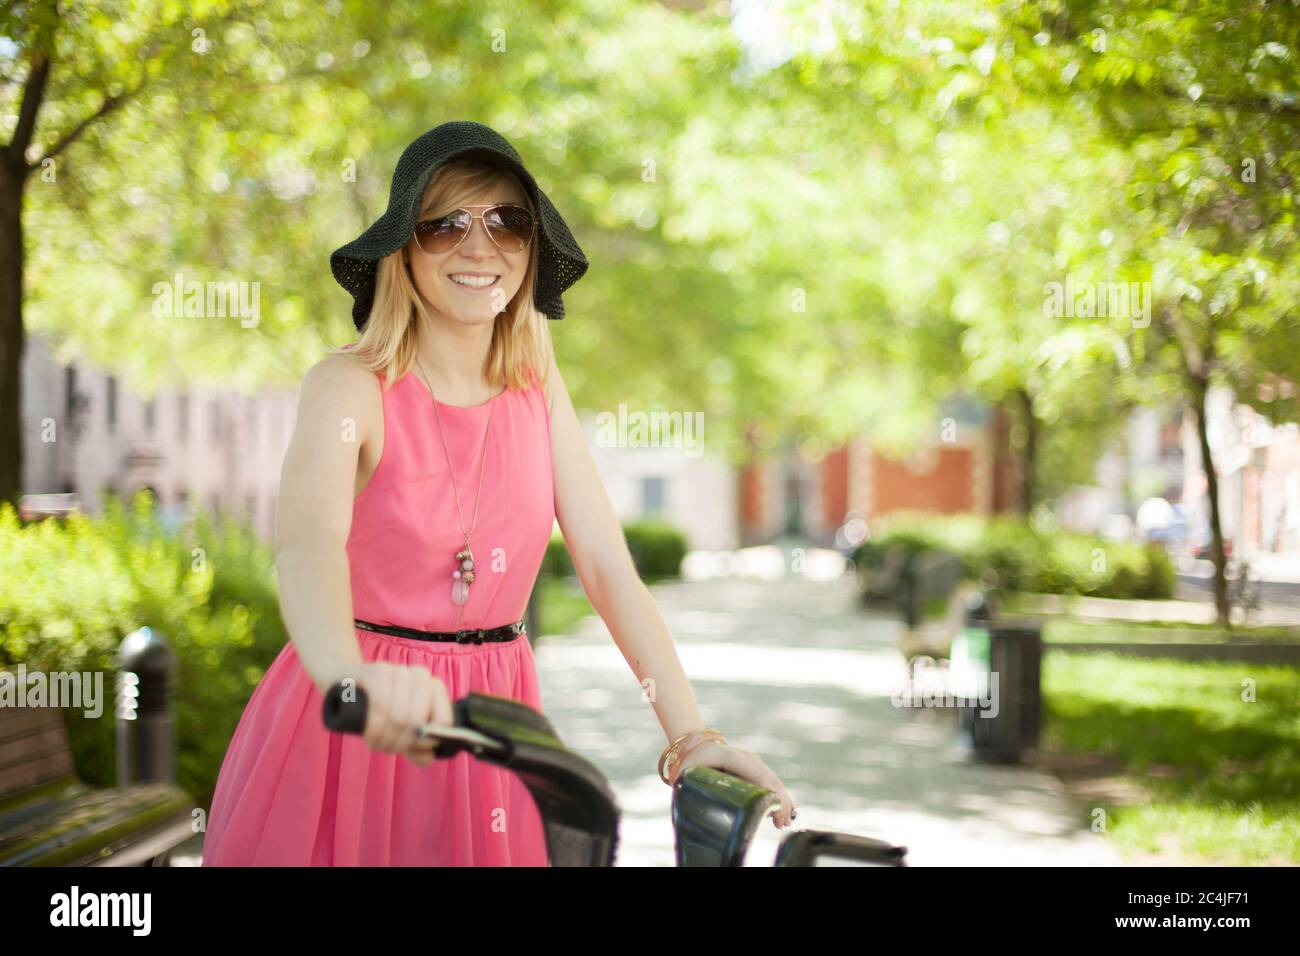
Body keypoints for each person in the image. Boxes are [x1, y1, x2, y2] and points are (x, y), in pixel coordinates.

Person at [201, 121, 795, 866]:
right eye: (445, 223)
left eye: (508, 222)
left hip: (499, 736)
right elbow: (306, 543)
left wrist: (694, 737)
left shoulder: (536, 390)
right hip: (355, 727)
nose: (479, 248)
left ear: (531, 248)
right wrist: (347, 675)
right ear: (402, 250)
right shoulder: (347, 386)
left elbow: (609, 571)